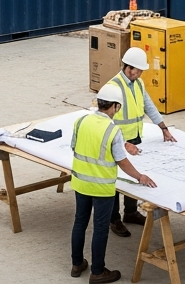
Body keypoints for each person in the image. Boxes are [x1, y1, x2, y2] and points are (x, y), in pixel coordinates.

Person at [70, 82, 157, 284]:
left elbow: (74, 147)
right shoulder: (112, 131)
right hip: (101, 187)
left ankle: (77, 264)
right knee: (100, 228)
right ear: (115, 106)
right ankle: (98, 271)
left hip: (80, 182)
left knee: (80, 221)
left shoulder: (81, 121)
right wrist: (140, 176)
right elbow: (122, 161)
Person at [107, 47, 177, 237]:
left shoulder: (138, 84)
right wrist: (122, 144)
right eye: (135, 71)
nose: (138, 74)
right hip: (118, 140)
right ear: (127, 67)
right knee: (115, 180)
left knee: (133, 176)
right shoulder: (113, 87)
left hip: (135, 138)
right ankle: (114, 220)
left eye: (140, 71)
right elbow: (106, 120)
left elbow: (149, 105)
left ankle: (130, 213)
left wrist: (163, 127)